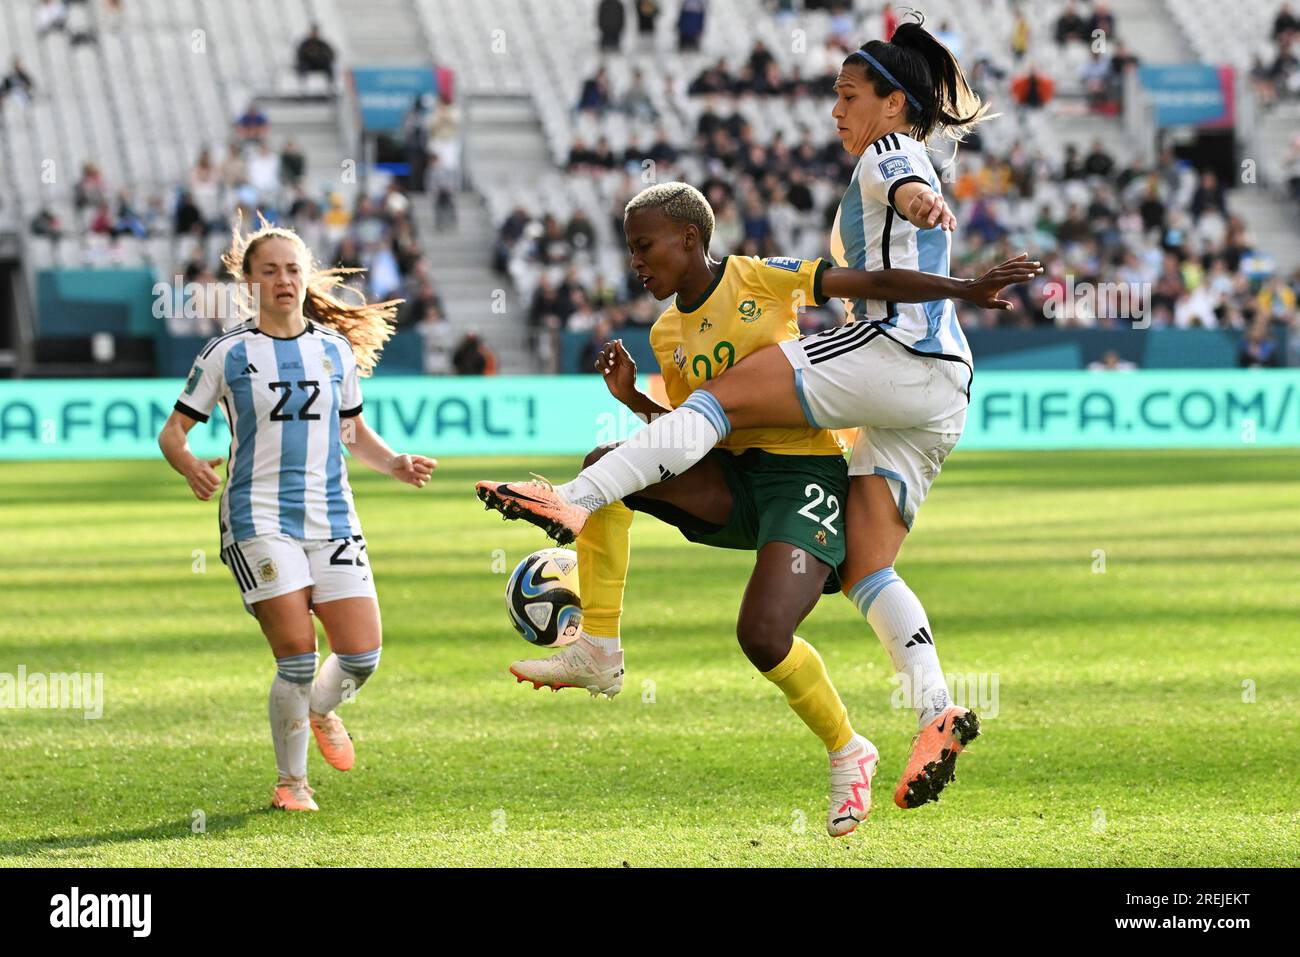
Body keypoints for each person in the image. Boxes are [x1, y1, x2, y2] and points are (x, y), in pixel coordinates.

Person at [476, 19, 1028, 812]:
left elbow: (906, 183)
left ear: (892, 103)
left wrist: (922, 205)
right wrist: (635, 401)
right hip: (940, 389)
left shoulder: (887, 152)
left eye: (847, 96)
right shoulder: (673, 325)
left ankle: (575, 501)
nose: (835, 111)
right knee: (868, 568)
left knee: (724, 393)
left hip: (897, 355)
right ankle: (935, 706)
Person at [157, 218, 435, 812]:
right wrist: (188, 464)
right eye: (270, 270)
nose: (283, 280)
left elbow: (352, 432)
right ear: (248, 281)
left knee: (361, 656)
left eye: (292, 269)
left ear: (304, 277)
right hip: (257, 518)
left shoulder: (333, 350)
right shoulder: (225, 354)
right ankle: (292, 785)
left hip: (332, 515)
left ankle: (317, 710)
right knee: (299, 656)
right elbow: (173, 432)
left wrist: (394, 463)